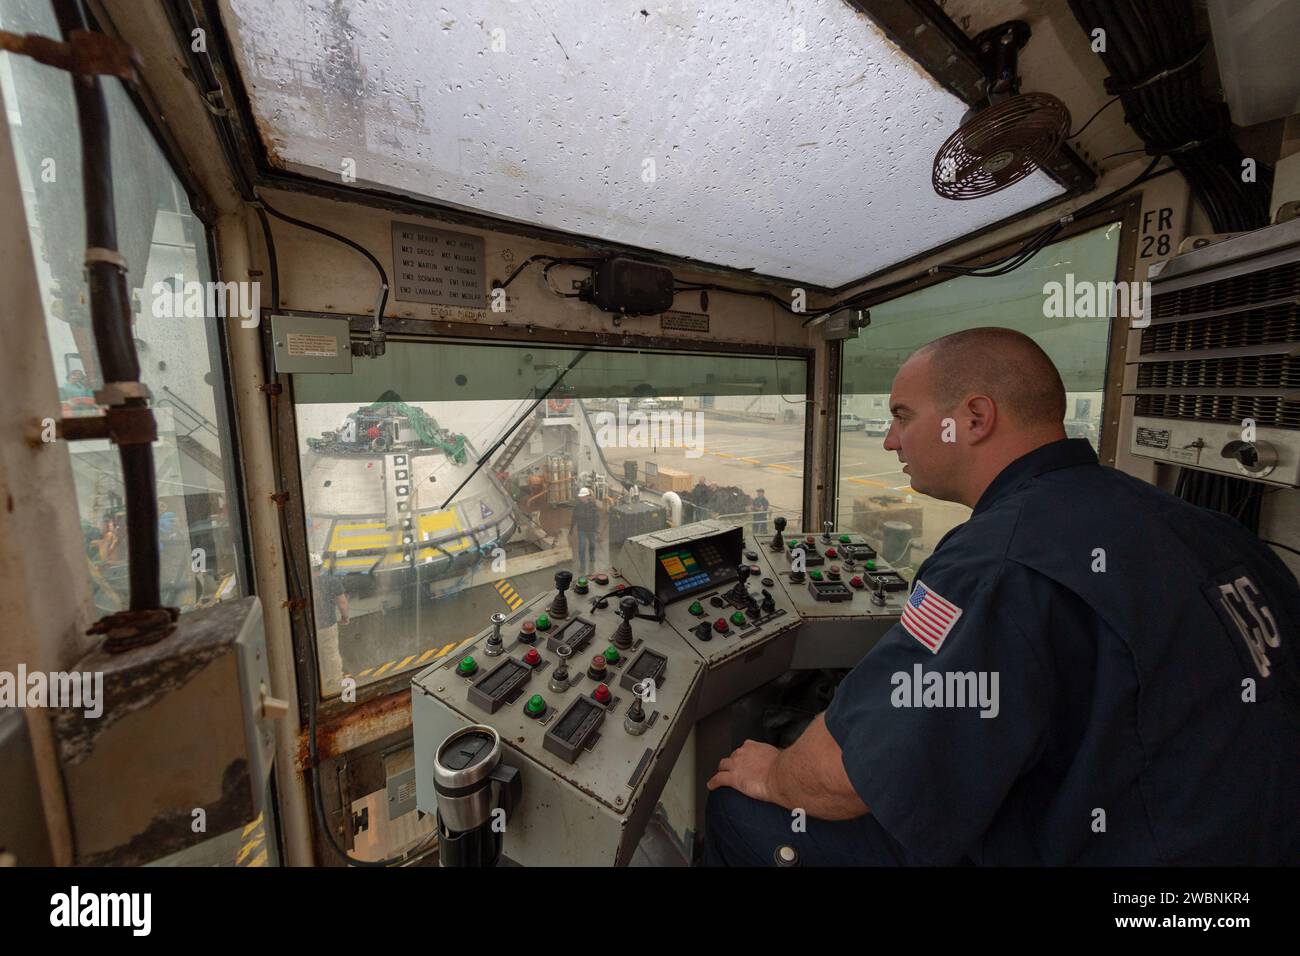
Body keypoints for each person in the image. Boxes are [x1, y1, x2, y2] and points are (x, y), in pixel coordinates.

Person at [704, 327, 1300, 866]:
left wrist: (776, 771)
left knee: (740, 809)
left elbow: (855, 776)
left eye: (902, 415)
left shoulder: (998, 558)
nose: (889, 440)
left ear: (974, 418)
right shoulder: (1219, 534)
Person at [311, 552, 350, 694]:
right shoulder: (331, 581)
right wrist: (345, 617)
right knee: (331, 654)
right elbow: (342, 602)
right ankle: (335, 686)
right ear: (320, 566)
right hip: (328, 625)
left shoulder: (304, 583)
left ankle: (319, 685)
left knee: (315, 655)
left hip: (310, 627)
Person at [570, 486, 599, 575]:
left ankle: (591, 555)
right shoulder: (578, 506)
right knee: (582, 547)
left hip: (591, 529)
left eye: (583, 497)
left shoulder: (593, 505)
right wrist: (571, 528)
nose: (582, 498)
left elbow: (596, 518)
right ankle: (582, 565)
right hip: (581, 529)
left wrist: (596, 528)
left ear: (587, 496)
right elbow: (574, 517)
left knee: (592, 544)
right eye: (581, 497)